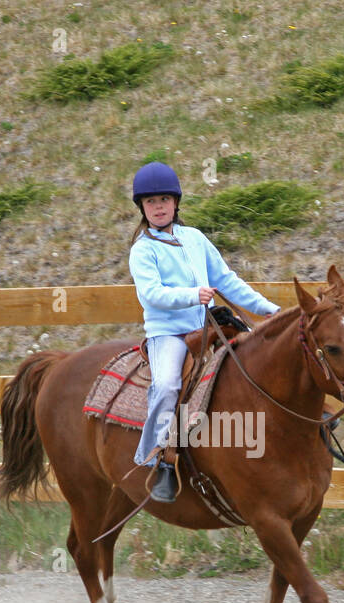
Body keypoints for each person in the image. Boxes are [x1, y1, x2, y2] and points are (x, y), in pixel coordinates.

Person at [127, 161, 279, 503]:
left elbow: (226, 280)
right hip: (169, 334)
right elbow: (151, 295)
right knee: (167, 386)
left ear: (176, 202)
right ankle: (157, 459)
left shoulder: (194, 238)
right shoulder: (142, 250)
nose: (160, 206)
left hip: (207, 326)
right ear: (142, 207)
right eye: (151, 202)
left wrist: (268, 309)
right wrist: (191, 296)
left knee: (260, 360)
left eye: (165, 199)